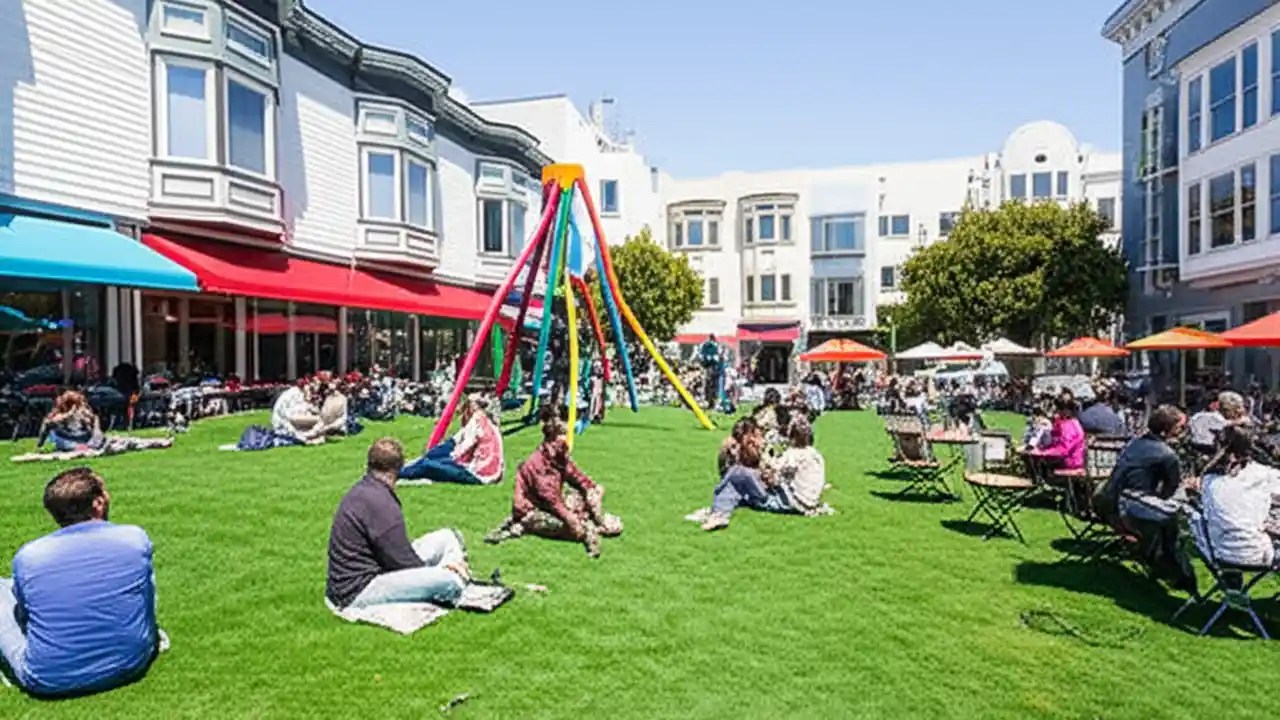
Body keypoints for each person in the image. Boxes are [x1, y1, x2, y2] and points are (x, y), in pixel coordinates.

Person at [0, 468, 161, 697]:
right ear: (98, 503)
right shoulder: (134, 538)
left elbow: (24, 613)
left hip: (50, 677)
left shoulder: (31, 557)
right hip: (132, 661)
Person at [326, 438, 471, 611]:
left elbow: (396, 554)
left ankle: (455, 570)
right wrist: (443, 571)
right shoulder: (382, 503)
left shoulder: (363, 489)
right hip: (359, 589)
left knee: (448, 536)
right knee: (448, 582)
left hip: (374, 568)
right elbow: (405, 565)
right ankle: (458, 576)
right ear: (399, 468)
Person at [1097, 404, 1196, 593]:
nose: (1183, 431)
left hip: (1106, 501)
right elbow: (1170, 491)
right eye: (1181, 427)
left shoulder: (1135, 442)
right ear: (1169, 430)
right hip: (1127, 510)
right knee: (1175, 518)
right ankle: (1179, 574)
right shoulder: (1167, 455)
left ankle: (1158, 561)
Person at [484, 419, 617, 557]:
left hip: (551, 505)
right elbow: (551, 500)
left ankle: (594, 524)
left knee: (582, 496)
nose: (566, 439)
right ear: (551, 439)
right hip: (532, 510)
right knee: (575, 529)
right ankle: (522, 526)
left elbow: (576, 476)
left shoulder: (559, 457)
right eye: (562, 435)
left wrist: (592, 489)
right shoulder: (538, 464)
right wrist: (571, 519)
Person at [1200, 426, 1280, 568]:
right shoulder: (1260, 474)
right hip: (1255, 555)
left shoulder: (1208, 477)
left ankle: (1233, 585)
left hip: (1218, 551)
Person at [399, 396, 504, 485]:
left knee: (428, 465)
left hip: (477, 474)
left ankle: (398, 473)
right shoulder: (489, 424)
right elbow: (455, 440)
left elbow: (465, 445)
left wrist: (451, 457)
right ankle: (407, 467)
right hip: (487, 472)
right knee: (431, 460)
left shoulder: (477, 420)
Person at [1028, 397, 1085, 471]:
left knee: (1035, 459)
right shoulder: (1074, 423)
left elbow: (1064, 449)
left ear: (1066, 411)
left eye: (1059, 409)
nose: (1057, 412)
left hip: (1070, 461)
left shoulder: (1068, 425)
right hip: (1076, 459)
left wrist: (1043, 453)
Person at [37, 390, 104, 451]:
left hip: (83, 438)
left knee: (96, 425)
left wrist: (90, 420)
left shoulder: (83, 411)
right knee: (50, 426)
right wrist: (69, 414)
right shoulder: (60, 413)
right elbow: (49, 423)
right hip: (67, 439)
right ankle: (82, 447)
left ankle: (91, 445)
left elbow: (93, 424)